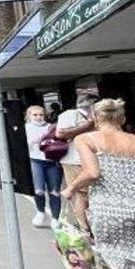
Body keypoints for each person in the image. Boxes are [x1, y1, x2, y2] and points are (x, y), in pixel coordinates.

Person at [63, 99, 135, 269]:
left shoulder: (86, 139)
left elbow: (93, 172)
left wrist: (72, 187)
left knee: (111, 265)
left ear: (94, 118)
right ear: (122, 119)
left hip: (109, 209)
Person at [57, 93, 99, 229]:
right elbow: (61, 133)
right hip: (74, 160)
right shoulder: (70, 115)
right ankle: (84, 226)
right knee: (81, 193)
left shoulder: (95, 117)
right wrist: (88, 125)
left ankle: (90, 224)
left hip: (92, 159)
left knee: (91, 193)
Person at [24, 105, 62, 227]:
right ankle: (40, 211)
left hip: (52, 162)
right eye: (35, 115)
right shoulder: (26, 128)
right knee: (38, 190)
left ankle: (55, 218)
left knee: (54, 191)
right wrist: (36, 141)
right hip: (36, 161)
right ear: (29, 115)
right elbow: (23, 147)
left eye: (41, 115)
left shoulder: (51, 127)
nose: (38, 117)